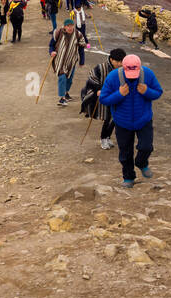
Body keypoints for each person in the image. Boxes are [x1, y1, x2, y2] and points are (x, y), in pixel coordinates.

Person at [99, 54, 163, 188]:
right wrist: (119, 94)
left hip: (143, 118)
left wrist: (146, 91)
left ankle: (141, 162)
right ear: (123, 67)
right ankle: (128, 177)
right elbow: (103, 99)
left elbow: (158, 92)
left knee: (146, 146)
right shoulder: (113, 77)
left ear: (139, 68)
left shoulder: (148, 74)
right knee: (125, 152)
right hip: (122, 121)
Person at [82, 48, 125, 149]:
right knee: (108, 117)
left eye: (121, 61)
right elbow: (92, 78)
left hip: (118, 95)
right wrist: (98, 89)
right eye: (117, 61)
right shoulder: (101, 68)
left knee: (116, 118)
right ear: (111, 59)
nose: (119, 64)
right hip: (105, 96)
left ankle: (108, 136)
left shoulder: (124, 68)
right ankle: (103, 138)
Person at [49, 18, 88, 106]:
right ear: (64, 26)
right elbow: (51, 45)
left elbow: (81, 49)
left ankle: (66, 93)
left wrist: (82, 61)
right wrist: (51, 52)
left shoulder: (78, 35)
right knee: (62, 78)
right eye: (68, 26)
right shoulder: (58, 33)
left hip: (71, 61)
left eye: (71, 26)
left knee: (69, 80)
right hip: (60, 60)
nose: (70, 28)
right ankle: (62, 98)